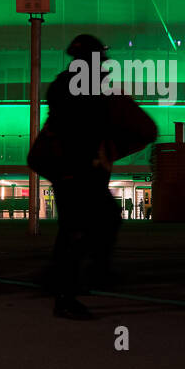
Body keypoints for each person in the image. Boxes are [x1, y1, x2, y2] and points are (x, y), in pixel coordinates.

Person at [43, 34, 126, 320]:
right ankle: (66, 295)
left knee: (85, 225)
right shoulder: (76, 88)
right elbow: (77, 130)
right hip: (75, 171)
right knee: (77, 230)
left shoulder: (75, 85)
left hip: (79, 170)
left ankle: (68, 279)